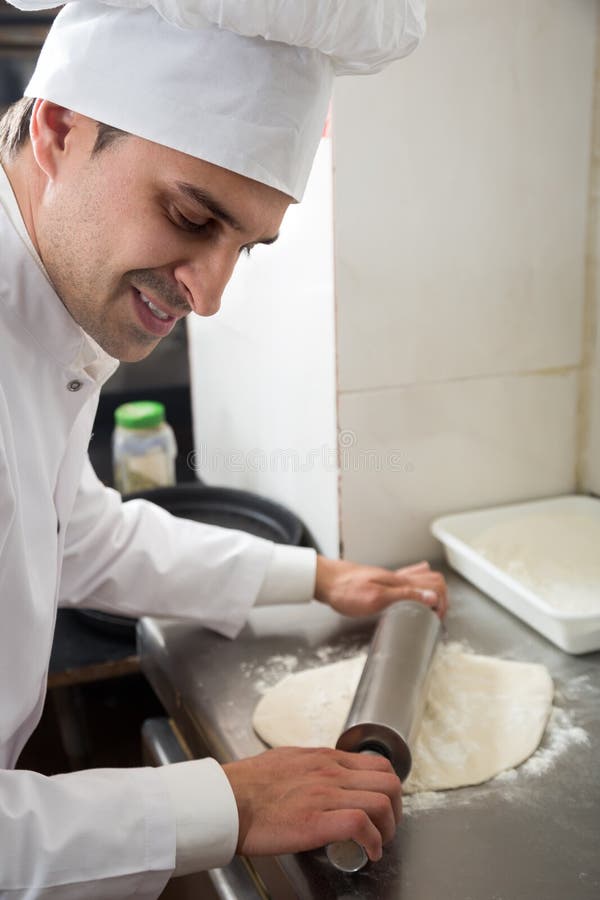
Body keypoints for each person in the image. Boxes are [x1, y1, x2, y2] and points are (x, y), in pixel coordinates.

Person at [0, 1, 446, 895]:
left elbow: (72, 532)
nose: (208, 297)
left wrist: (314, 578)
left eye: (248, 247)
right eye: (192, 217)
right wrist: (223, 806)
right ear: (59, 130)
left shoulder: (45, 311)